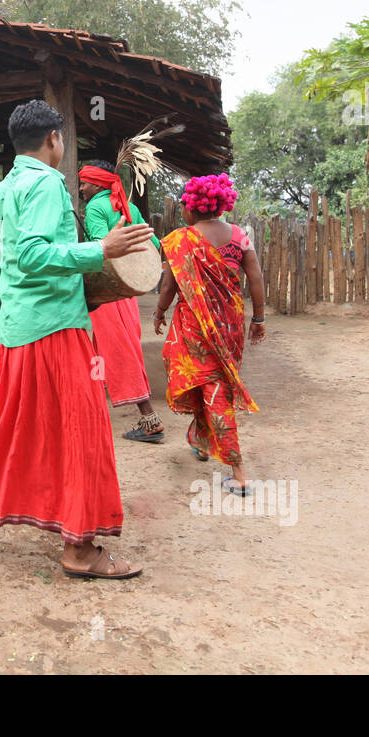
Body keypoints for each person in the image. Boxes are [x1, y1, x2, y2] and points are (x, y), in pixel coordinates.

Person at [0, 100, 156, 579]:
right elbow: (30, 252)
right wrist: (100, 250)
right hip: (55, 327)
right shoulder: (47, 182)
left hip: (18, 329)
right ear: (53, 138)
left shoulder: (7, 185)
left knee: (7, 423)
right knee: (83, 428)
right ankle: (80, 551)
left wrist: (14, 283)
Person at [153, 173, 266, 496]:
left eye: (184, 207)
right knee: (214, 384)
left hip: (193, 328)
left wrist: (159, 311)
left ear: (192, 207)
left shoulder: (181, 240)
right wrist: (258, 317)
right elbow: (255, 278)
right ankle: (202, 442)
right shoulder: (240, 236)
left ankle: (239, 472)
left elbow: (170, 285)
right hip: (230, 324)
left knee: (212, 388)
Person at [78, 159, 166, 443]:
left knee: (119, 348)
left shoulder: (94, 207)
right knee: (100, 348)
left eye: (84, 183)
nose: (81, 188)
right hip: (126, 289)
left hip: (107, 289)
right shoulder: (128, 207)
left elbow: (103, 249)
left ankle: (149, 418)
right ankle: (91, 400)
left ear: (97, 184)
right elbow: (153, 244)